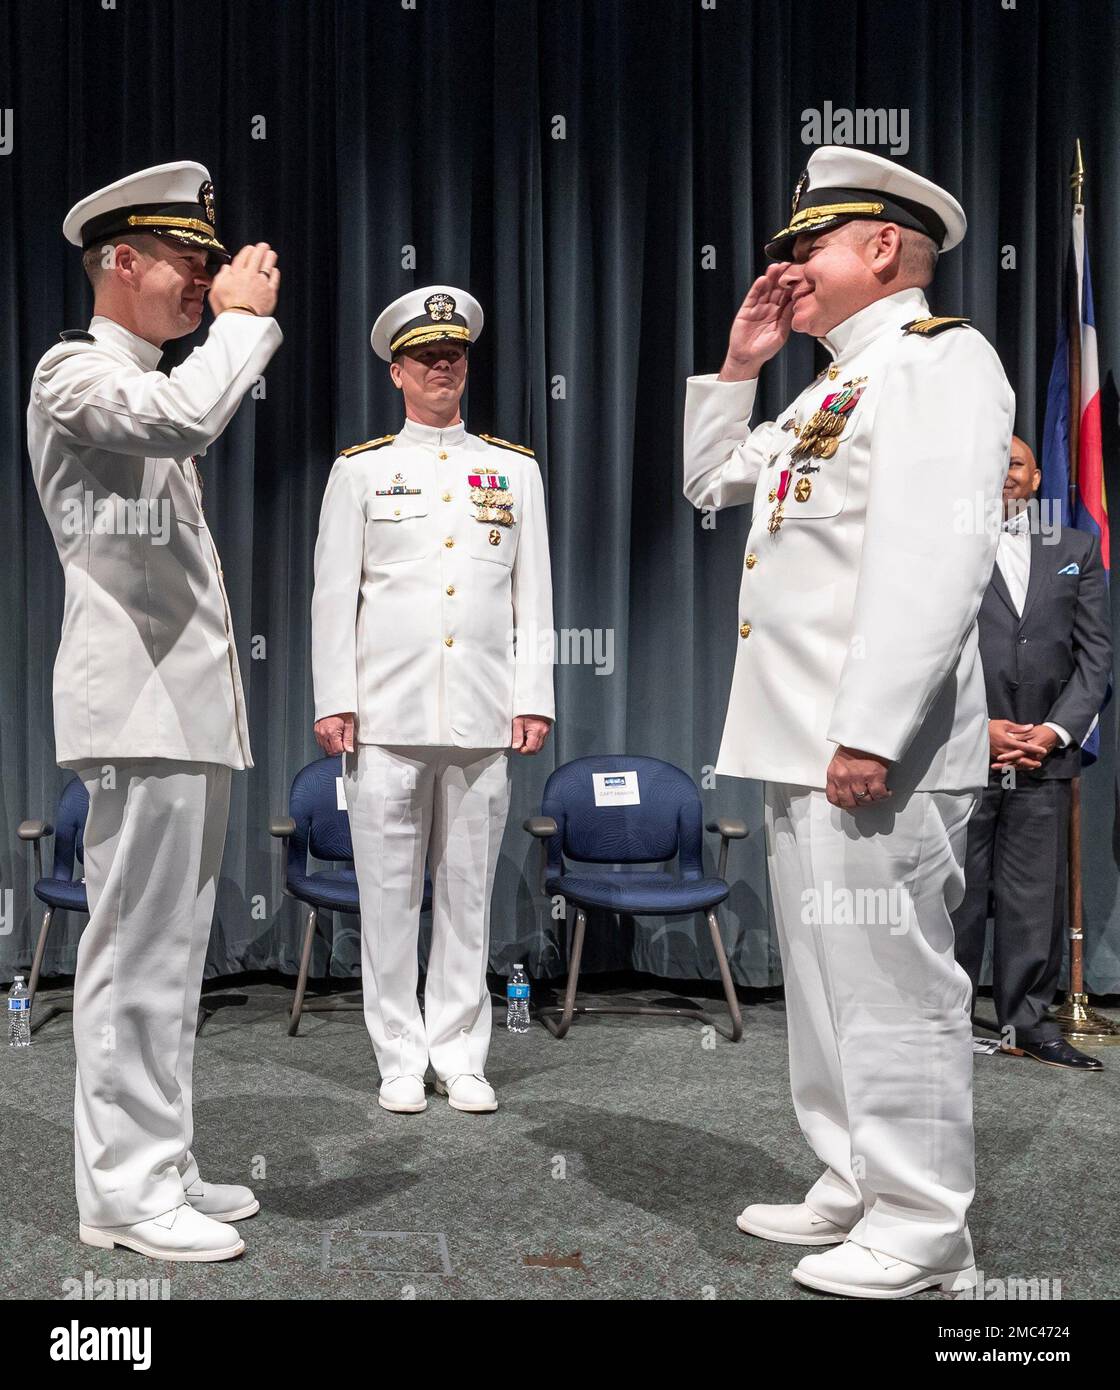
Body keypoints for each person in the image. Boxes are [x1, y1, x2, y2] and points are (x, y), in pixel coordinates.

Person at [683, 146, 1013, 1298]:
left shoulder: (941, 362)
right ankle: (854, 1177)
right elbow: (708, 481)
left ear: (881, 247)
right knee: (827, 987)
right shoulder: (832, 387)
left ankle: (925, 1227)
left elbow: (936, 557)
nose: (786, 270)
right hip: (797, 741)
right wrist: (739, 363)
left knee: (892, 987)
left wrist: (871, 728)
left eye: (804, 248)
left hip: (877, 747)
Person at [27, 161, 282, 1261]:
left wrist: (222, 325)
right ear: (120, 262)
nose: (204, 280)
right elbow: (185, 418)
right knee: (134, 957)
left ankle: (160, 1159)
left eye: (210, 266)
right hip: (131, 712)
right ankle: (122, 1194)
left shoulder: (139, 383)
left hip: (177, 714)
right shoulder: (71, 372)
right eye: (187, 259)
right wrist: (242, 324)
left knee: (170, 958)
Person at [312, 285, 554, 1115]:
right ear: (397, 371)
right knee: (386, 895)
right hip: (386, 717)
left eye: (452, 353)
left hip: (484, 713)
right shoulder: (361, 470)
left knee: (467, 895)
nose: (441, 364)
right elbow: (332, 597)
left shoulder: (514, 469)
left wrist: (535, 697)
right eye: (424, 355)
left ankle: (461, 1053)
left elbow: (535, 597)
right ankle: (397, 1053)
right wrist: (334, 698)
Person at [952, 435, 1111, 1070]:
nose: (1004, 474)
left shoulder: (1077, 549)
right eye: (991, 463)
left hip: (1044, 756)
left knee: (1031, 896)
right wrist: (976, 725)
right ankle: (945, 1020)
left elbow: (1095, 658)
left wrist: (1052, 732)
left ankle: (1026, 1023)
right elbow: (928, 653)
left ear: (1036, 474)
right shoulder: (944, 547)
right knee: (955, 894)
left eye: (1014, 463)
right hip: (962, 752)